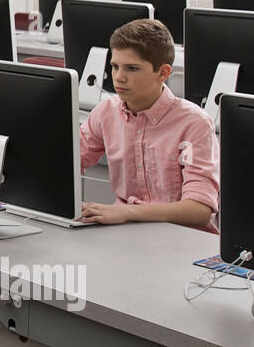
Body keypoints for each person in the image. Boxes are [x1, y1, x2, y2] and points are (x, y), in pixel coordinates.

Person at [77, 18, 219, 230]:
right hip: (126, 231)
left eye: (132, 69)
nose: (119, 77)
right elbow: (69, 161)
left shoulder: (194, 123)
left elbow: (199, 210)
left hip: (181, 237)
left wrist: (126, 212)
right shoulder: (105, 112)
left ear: (163, 73)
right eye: (115, 67)